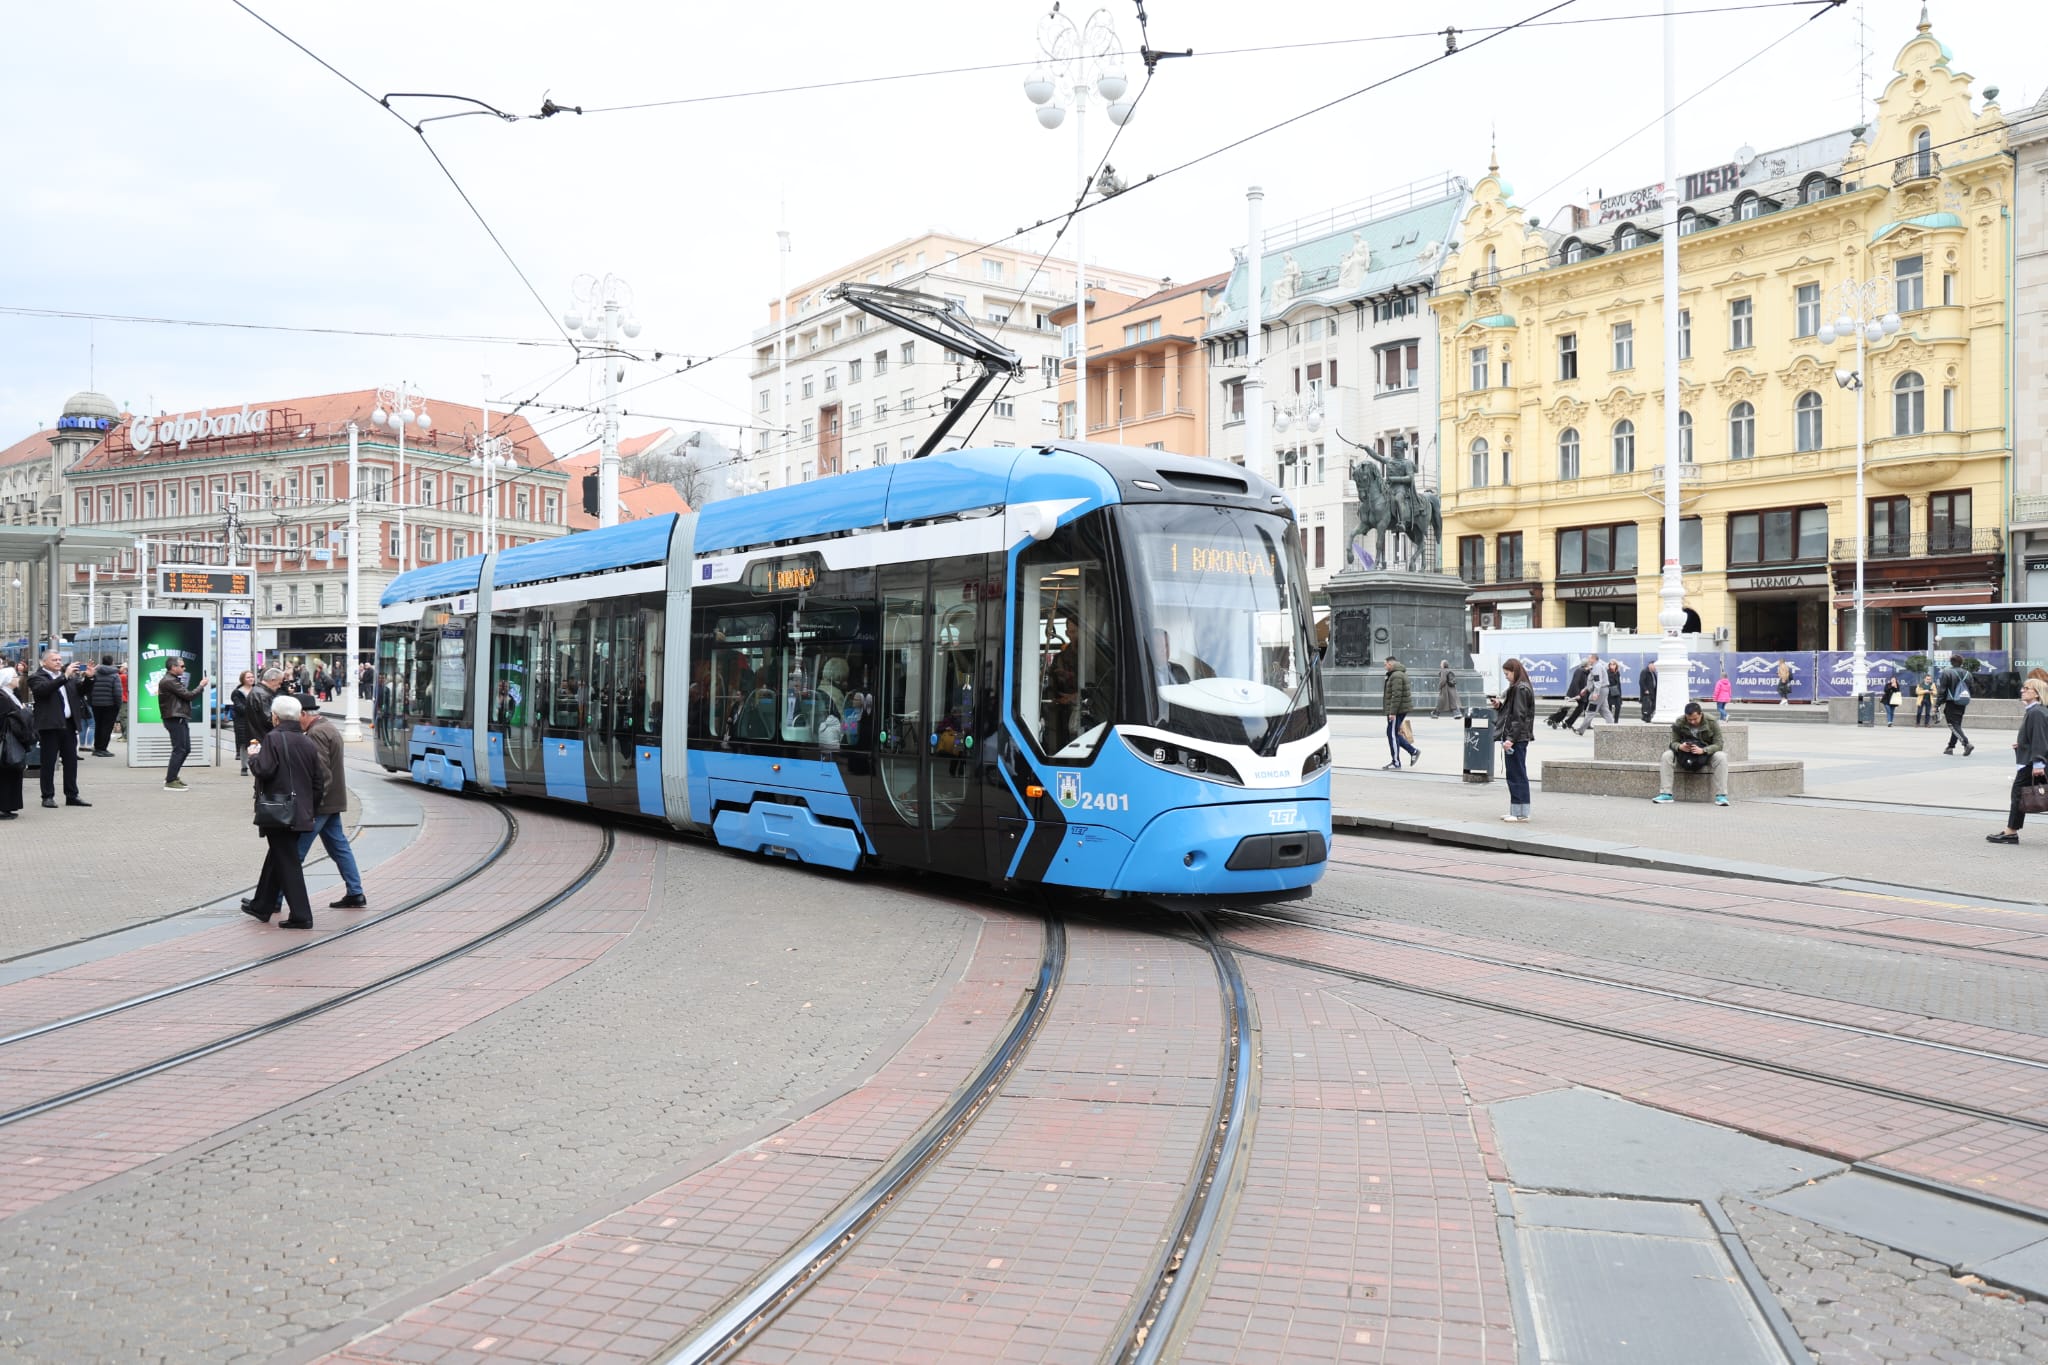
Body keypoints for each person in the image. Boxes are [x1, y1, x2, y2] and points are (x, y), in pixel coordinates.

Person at [244, 695, 323, 929]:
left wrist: (254, 758)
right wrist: (312, 809)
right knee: (277, 857)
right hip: (300, 812)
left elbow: (265, 770)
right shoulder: (307, 741)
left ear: (275, 717)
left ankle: (302, 915)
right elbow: (318, 782)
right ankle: (261, 904)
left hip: (280, 812)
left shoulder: (273, 739)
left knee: (287, 862)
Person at [292, 697, 366, 907]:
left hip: (322, 804)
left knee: (296, 853)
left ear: (303, 714)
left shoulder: (316, 733)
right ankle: (355, 891)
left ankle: (276, 897)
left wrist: (313, 805)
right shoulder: (328, 727)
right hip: (333, 800)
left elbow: (321, 773)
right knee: (340, 847)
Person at [1987, 679, 2048, 844]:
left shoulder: (2036, 712)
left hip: (2033, 763)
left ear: (2036, 693)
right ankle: (2011, 831)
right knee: (2020, 795)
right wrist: (2022, 745)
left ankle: (2011, 832)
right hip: (2032, 760)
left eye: (2026, 688)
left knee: (2018, 794)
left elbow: (2041, 739)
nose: (2022, 690)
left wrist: (2038, 763)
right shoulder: (2034, 711)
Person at [26, 651, 89, 810]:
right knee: (48, 762)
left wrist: (89, 678)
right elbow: (44, 691)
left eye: (60, 659)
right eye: (54, 660)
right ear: (44, 662)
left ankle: (72, 795)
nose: (58, 662)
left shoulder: (67, 677)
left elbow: (81, 692)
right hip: (50, 726)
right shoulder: (37, 677)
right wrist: (64, 676)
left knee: (71, 761)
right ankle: (47, 796)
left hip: (68, 724)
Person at [1653, 700, 1731, 806]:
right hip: (1685, 754)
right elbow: (1673, 743)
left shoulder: (1711, 721)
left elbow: (1719, 744)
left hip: (1705, 754)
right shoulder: (1680, 721)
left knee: (1721, 756)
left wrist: (1703, 750)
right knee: (1667, 755)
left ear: (1701, 714)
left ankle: (1721, 796)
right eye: (1689, 719)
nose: (1692, 722)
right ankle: (1666, 794)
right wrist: (1680, 747)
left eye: (1695, 719)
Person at [1493, 658, 1535, 822]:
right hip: (1518, 736)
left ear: (1515, 671)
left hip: (1517, 737)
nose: (1506, 677)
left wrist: (1510, 738)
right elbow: (1514, 712)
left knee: (1516, 775)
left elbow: (1519, 716)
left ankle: (1520, 813)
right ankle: (1518, 810)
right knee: (1516, 774)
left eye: (1507, 674)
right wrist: (1500, 706)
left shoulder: (1520, 689)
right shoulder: (1519, 687)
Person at [157, 656, 207, 789]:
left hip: (178, 717)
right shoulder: (169, 681)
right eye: (182, 666)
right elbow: (189, 695)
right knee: (179, 749)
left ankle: (172, 776)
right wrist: (201, 686)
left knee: (186, 749)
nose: (184, 668)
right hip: (174, 718)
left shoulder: (172, 680)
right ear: (173, 667)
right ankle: (170, 780)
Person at [0, 667, 31, 820]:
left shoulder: (11, 695)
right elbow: (9, 717)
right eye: (14, 676)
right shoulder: (2, 697)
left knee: (13, 772)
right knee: (6, 774)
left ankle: (9, 806)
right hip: (6, 741)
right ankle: (3, 807)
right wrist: (23, 713)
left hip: (14, 739)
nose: (17, 678)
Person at [1381, 656, 1420, 770]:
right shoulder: (1396, 674)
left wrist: (1392, 712)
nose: (1384, 666)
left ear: (1390, 664)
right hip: (1399, 709)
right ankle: (1413, 751)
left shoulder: (1396, 675)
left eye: (1385, 664)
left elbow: (1396, 695)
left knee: (1392, 734)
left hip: (1396, 710)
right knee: (1392, 733)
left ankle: (1396, 762)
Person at [1938, 654, 1975, 757]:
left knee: (1952, 725)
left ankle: (1966, 743)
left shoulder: (1947, 672)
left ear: (1951, 662)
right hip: (1962, 701)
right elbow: (1972, 690)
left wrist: (1937, 704)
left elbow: (1942, 690)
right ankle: (1950, 747)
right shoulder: (1968, 674)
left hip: (1951, 702)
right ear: (1961, 662)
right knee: (1956, 725)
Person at [230, 670, 259, 775]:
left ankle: (256, 764)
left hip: (255, 721)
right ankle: (244, 767)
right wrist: (252, 710)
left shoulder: (257, 690)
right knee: (243, 744)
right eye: (248, 677)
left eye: (252, 677)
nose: (251, 679)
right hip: (242, 721)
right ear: (243, 679)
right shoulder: (237, 692)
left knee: (255, 743)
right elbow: (239, 706)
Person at [1573, 662, 1606, 735]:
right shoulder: (1593, 672)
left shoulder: (1596, 672)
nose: (1587, 667)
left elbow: (1597, 683)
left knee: (1590, 712)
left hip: (1596, 696)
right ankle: (1612, 726)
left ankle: (1581, 730)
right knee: (1606, 712)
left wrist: (1595, 693)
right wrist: (1585, 689)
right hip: (1601, 694)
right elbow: (1591, 684)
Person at [1605, 658, 1625, 722]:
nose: (1612, 666)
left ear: (1616, 665)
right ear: (1609, 665)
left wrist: (1619, 692)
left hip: (1617, 692)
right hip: (1610, 692)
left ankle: (1616, 720)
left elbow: (1618, 683)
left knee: (1618, 706)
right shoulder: (1607, 672)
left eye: (1614, 664)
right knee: (1609, 706)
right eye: (1611, 664)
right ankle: (1609, 720)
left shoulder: (1617, 672)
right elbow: (1607, 683)